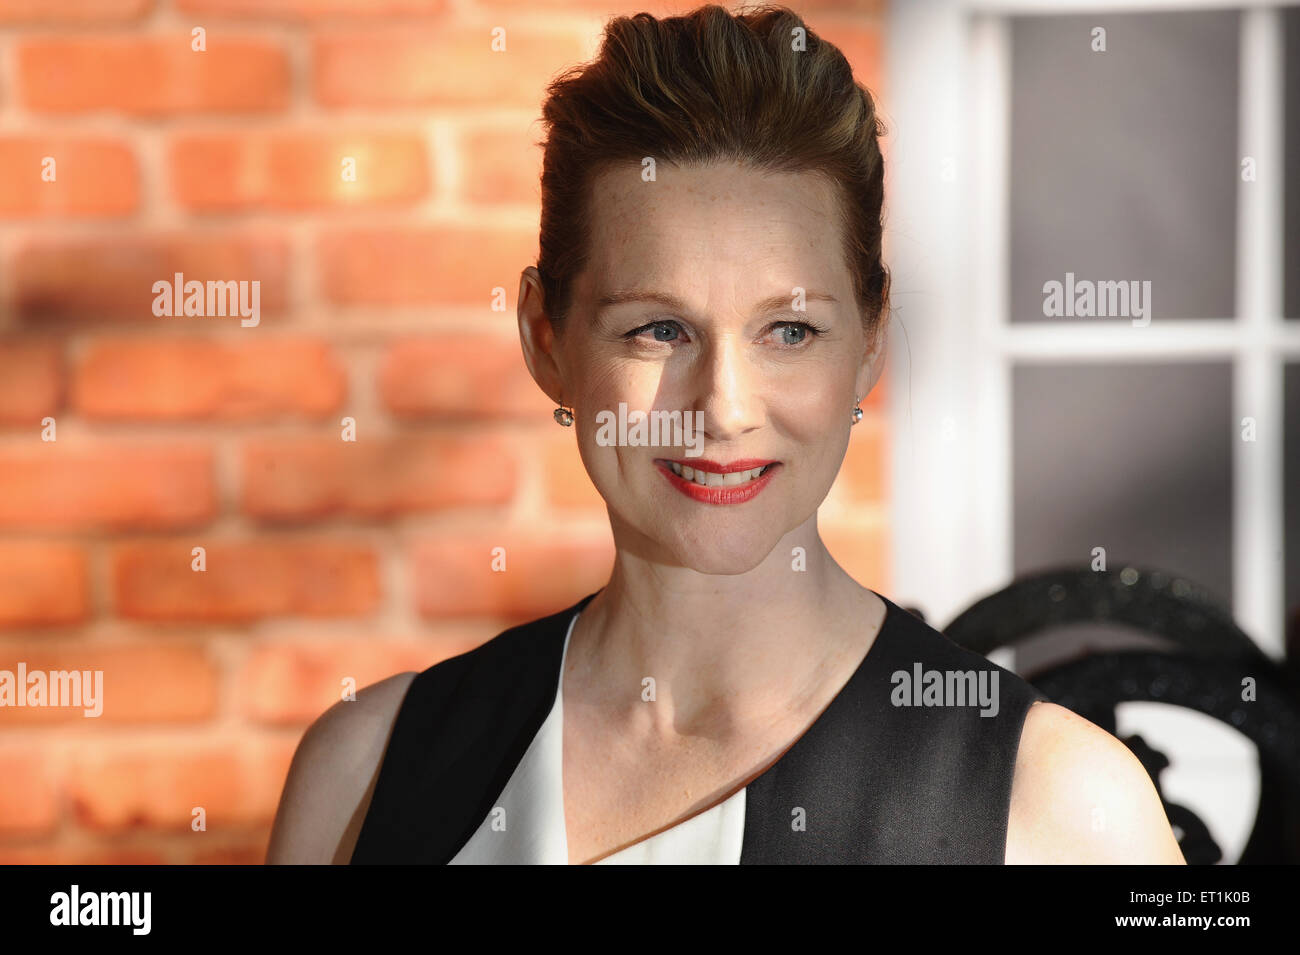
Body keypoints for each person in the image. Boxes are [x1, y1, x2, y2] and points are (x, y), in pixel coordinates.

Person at [266, 3, 1185, 865]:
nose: (724, 408)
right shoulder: (363, 772)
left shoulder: (1062, 810)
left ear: (868, 342)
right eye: (657, 329)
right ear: (547, 339)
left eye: (789, 331)